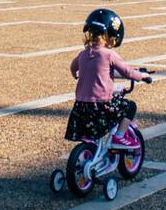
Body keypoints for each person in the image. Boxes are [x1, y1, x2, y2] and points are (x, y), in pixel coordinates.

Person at [65, 8, 151, 149]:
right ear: (110, 36)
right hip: (101, 107)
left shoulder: (83, 54)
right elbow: (128, 72)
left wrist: (76, 74)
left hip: (81, 107)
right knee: (130, 107)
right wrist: (142, 76)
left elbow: (73, 67)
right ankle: (119, 136)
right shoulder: (109, 54)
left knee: (92, 129)